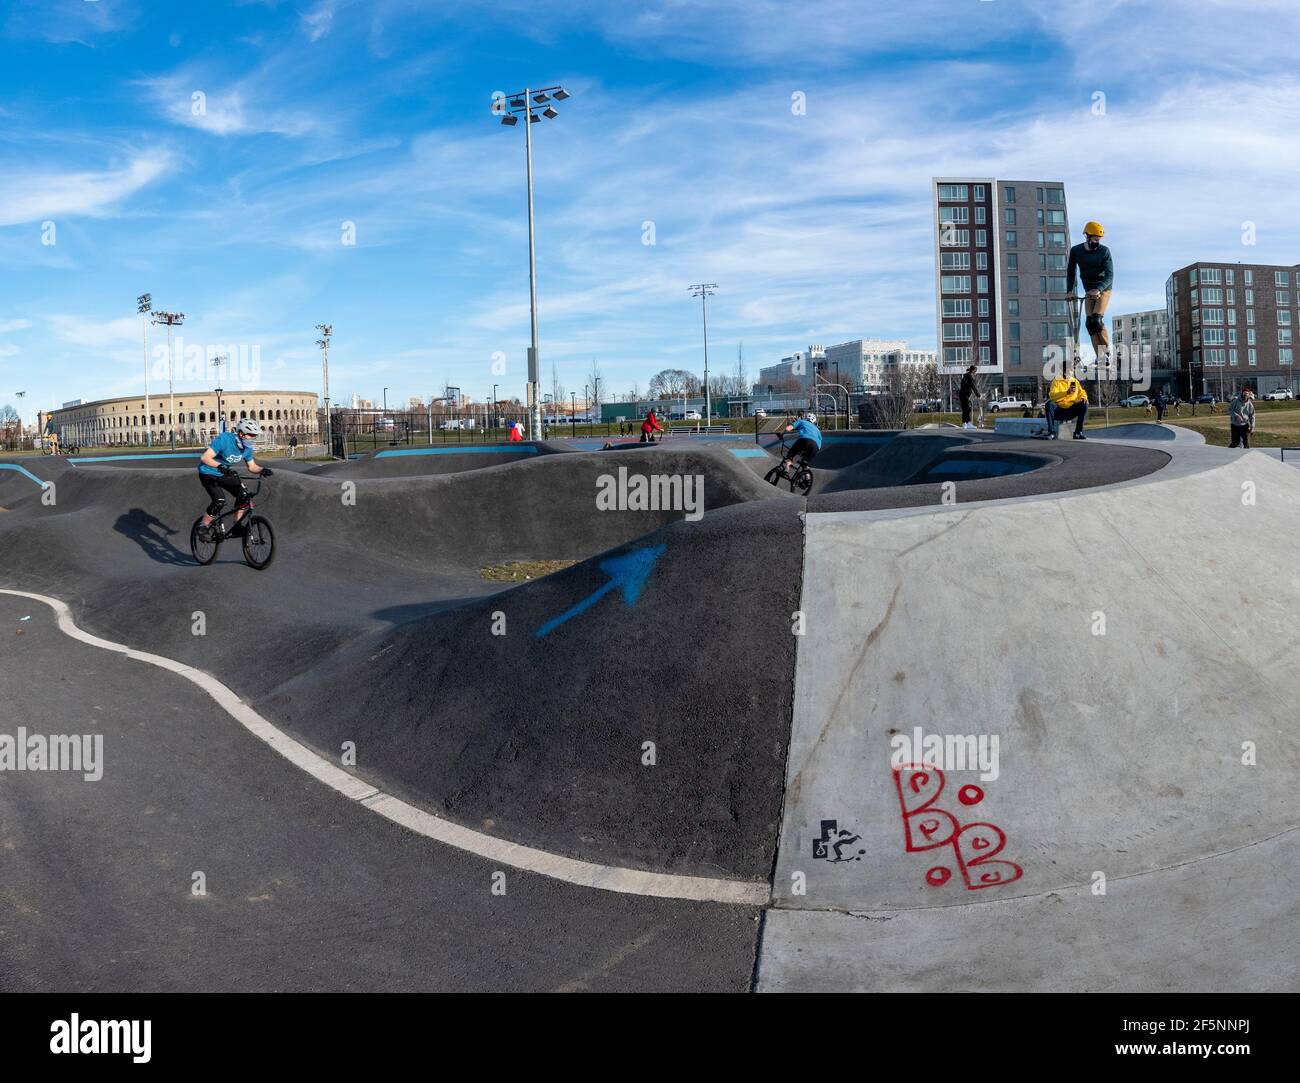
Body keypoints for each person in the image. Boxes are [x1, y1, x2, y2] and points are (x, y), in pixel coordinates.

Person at [196, 418, 273, 541]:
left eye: (255, 435)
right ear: (241, 434)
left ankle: (236, 526)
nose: (253, 438)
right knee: (219, 501)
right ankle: (203, 526)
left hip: (224, 473)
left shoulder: (247, 448)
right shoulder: (225, 439)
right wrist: (220, 466)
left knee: (243, 495)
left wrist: (262, 469)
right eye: (251, 435)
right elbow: (205, 457)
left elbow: (252, 466)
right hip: (208, 473)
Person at [1067, 221, 1114, 369]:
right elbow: (1071, 272)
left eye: (1098, 240)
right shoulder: (1076, 251)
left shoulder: (1104, 251)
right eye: (1094, 239)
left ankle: (1107, 353)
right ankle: (1100, 357)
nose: (1096, 243)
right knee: (1089, 324)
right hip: (1089, 290)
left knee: (1096, 320)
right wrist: (1069, 291)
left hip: (1103, 288)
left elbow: (1110, 275)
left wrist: (1099, 289)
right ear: (1087, 236)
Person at [1044, 366, 1090, 439]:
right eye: (1069, 370)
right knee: (1049, 404)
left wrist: (1084, 397)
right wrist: (1066, 392)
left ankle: (1078, 433)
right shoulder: (1056, 381)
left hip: (1070, 410)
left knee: (1084, 404)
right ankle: (1051, 433)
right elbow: (1052, 396)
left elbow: (1082, 392)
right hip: (1059, 410)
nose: (1071, 372)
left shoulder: (1073, 381)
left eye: (1072, 370)